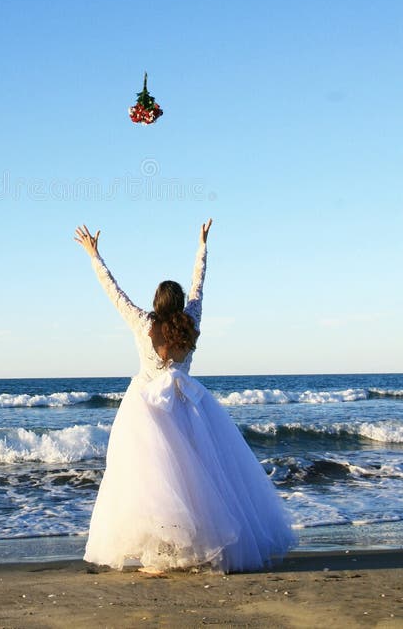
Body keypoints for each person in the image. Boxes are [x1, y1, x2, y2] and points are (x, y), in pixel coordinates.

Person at [74, 220, 297, 574]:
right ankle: (192, 549)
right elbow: (199, 285)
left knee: (156, 484)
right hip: (190, 410)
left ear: (156, 303)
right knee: (198, 480)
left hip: (148, 411)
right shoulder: (191, 322)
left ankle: (162, 556)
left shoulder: (141, 323)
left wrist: (93, 254)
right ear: (178, 304)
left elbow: (112, 291)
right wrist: (202, 245)